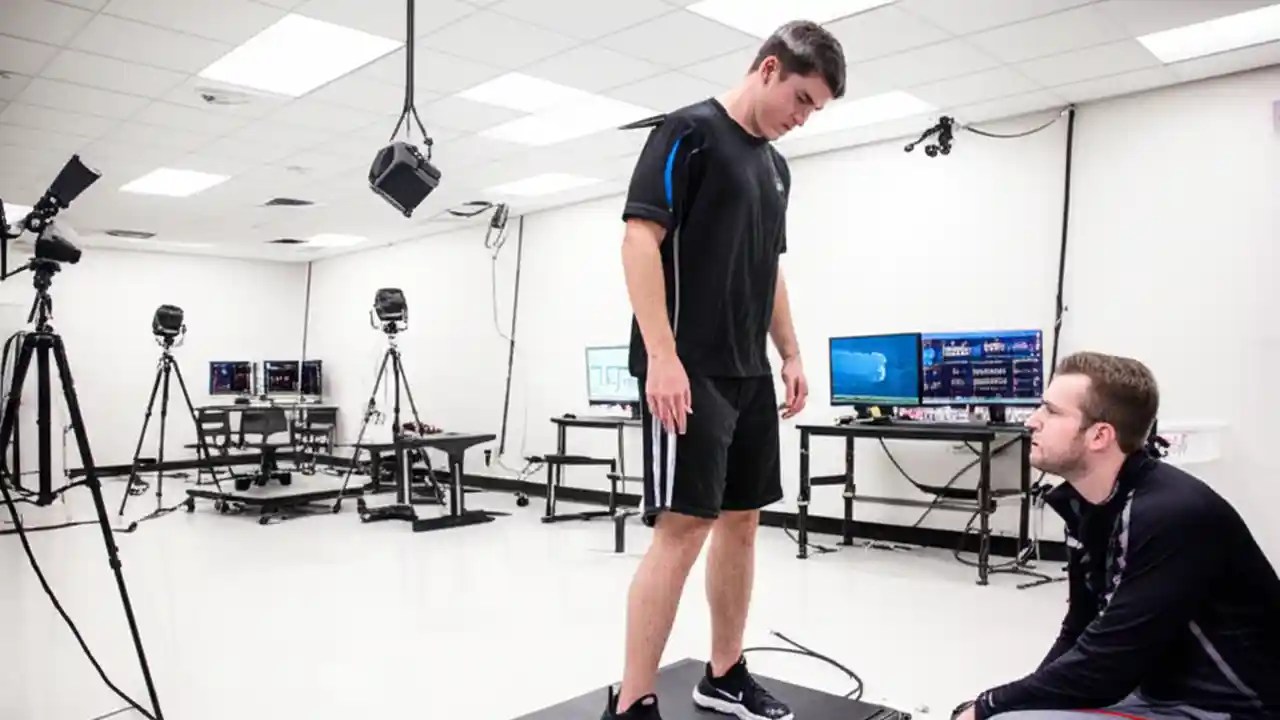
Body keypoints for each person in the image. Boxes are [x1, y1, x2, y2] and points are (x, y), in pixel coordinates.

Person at [601, 19, 847, 720]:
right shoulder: (688, 133)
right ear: (769, 69)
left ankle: (725, 673)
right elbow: (639, 242)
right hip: (688, 371)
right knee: (682, 529)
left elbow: (768, 268)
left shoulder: (775, 166)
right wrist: (663, 357)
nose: (802, 119)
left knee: (743, 522)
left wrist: (791, 351)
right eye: (801, 99)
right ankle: (634, 699)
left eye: (815, 110)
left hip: (747, 374)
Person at [953, 351, 1280, 720]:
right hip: (1158, 694)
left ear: (1099, 435)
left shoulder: (1170, 515)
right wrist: (1001, 701)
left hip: (1229, 709)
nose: (1032, 421)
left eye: (1051, 411)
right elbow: (1080, 630)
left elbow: (1103, 670)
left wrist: (989, 706)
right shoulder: (1088, 507)